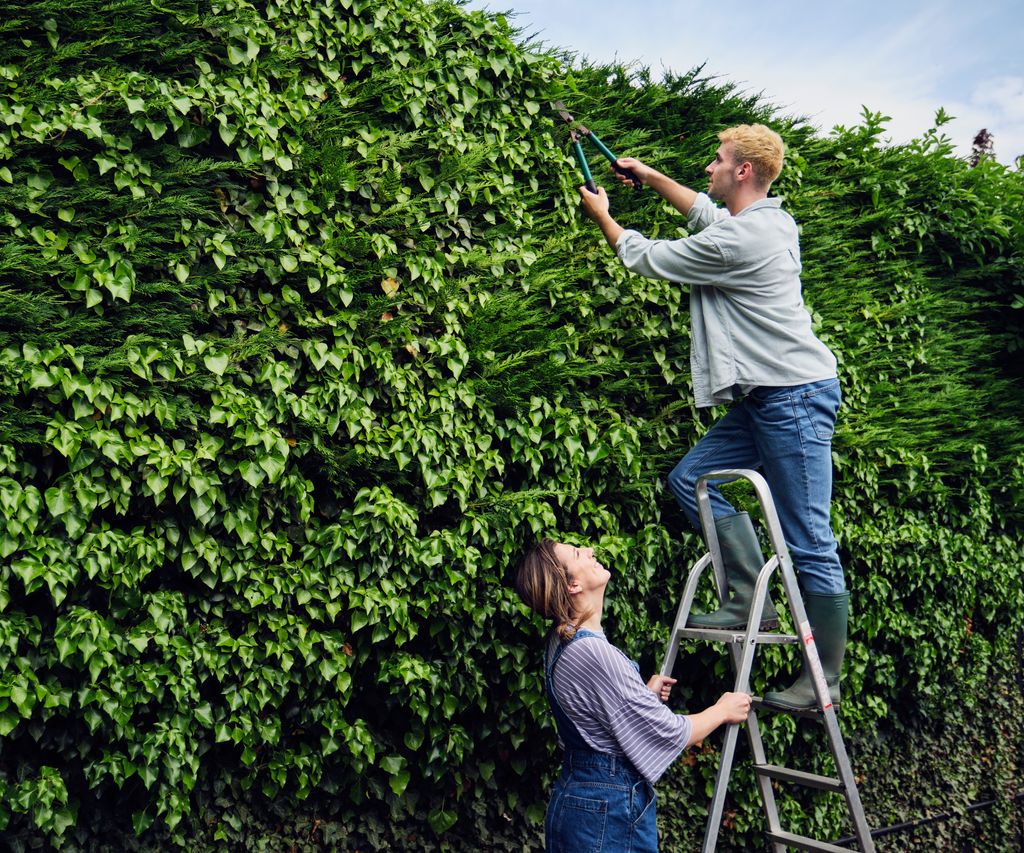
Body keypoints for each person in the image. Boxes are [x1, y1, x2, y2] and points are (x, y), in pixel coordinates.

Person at [576, 124, 847, 711]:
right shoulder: (765, 221)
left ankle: (824, 679)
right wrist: (647, 177)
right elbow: (704, 213)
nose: (709, 167)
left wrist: (603, 213)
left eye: (718, 159)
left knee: (809, 540)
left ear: (743, 170)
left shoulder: (743, 242)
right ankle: (751, 594)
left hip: (794, 395)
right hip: (768, 397)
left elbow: (648, 256)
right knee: (692, 480)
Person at [515, 538, 751, 853]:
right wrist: (722, 710)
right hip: (604, 808)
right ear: (572, 586)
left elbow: (595, 713)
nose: (589, 551)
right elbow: (669, 731)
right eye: (577, 553)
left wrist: (641, 695)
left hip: (580, 801)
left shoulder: (562, 642)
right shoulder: (593, 652)